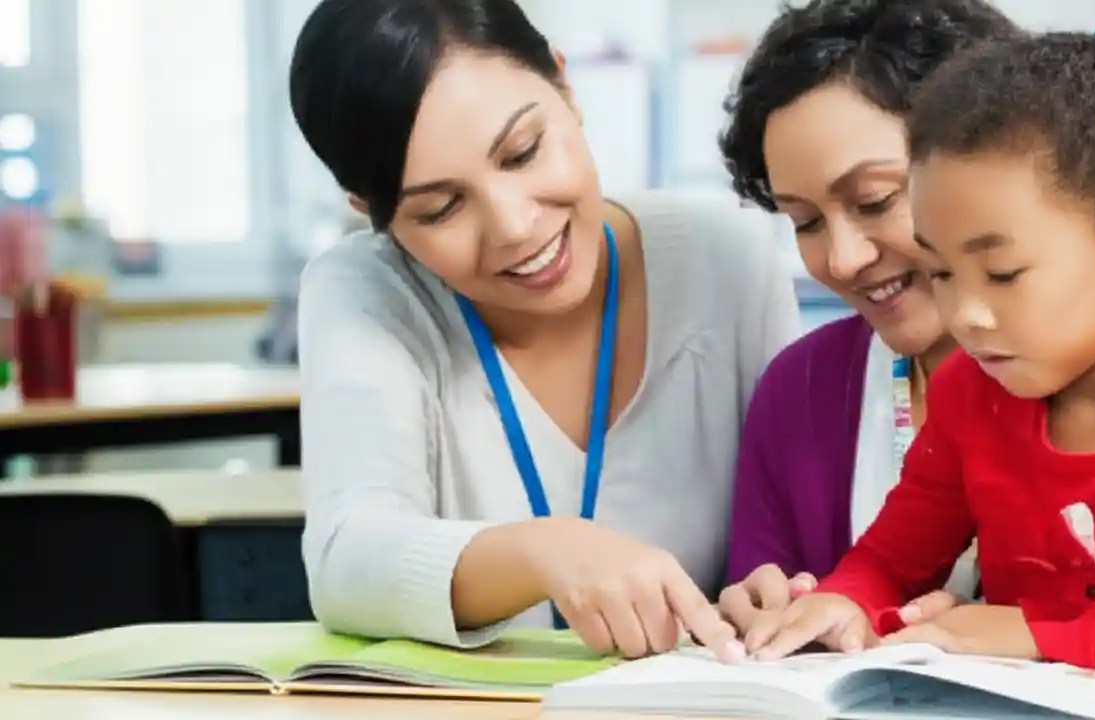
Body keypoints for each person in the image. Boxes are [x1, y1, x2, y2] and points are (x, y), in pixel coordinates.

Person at [737, 26, 1095, 680]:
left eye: (1001, 274)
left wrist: (1037, 632)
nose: (965, 313)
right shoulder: (973, 395)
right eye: (942, 274)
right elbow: (887, 564)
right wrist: (843, 604)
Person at [289, 0, 800, 659]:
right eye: (442, 208)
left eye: (523, 153)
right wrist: (547, 550)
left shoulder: (725, 262)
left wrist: (773, 590)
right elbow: (345, 561)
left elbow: (797, 534)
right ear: (371, 212)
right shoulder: (368, 290)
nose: (513, 226)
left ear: (565, 83)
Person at [715, 0, 1019, 631]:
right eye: (804, 222)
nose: (845, 258)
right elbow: (764, 600)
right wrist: (761, 607)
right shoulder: (800, 391)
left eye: (876, 200)